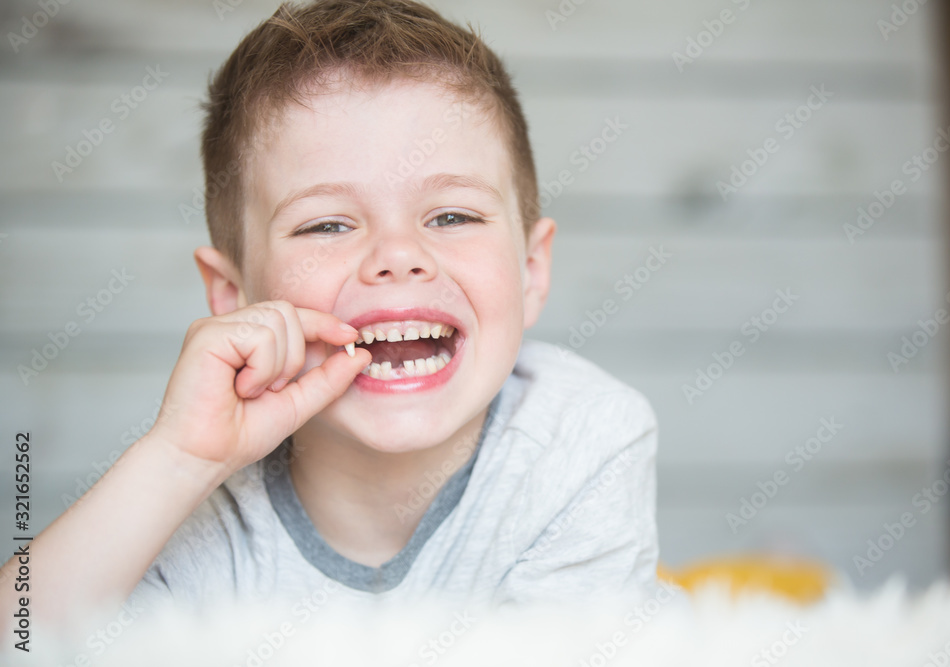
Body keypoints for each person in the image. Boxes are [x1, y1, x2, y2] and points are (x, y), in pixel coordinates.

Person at [0, 0, 660, 633]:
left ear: (531, 269)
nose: (398, 256)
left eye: (452, 215)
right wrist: (177, 461)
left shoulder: (584, 439)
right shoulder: (201, 497)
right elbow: (20, 640)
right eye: (327, 224)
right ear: (234, 298)